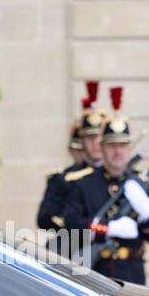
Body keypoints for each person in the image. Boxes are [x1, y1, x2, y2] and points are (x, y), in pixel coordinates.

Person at [55, 87, 149, 284]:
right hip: (96, 274)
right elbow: (71, 225)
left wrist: (148, 214)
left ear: (130, 149)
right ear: (102, 148)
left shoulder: (142, 186)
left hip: (133, 274)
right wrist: (109, 228)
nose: (117, 152)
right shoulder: (83, 184)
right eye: (112, 145)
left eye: (122, 146)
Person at [37, 83, 104, 232]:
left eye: (99, 137)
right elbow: (44, 218)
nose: (96, 143)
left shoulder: (115, 177)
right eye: (90, 138)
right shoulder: (66, 179)